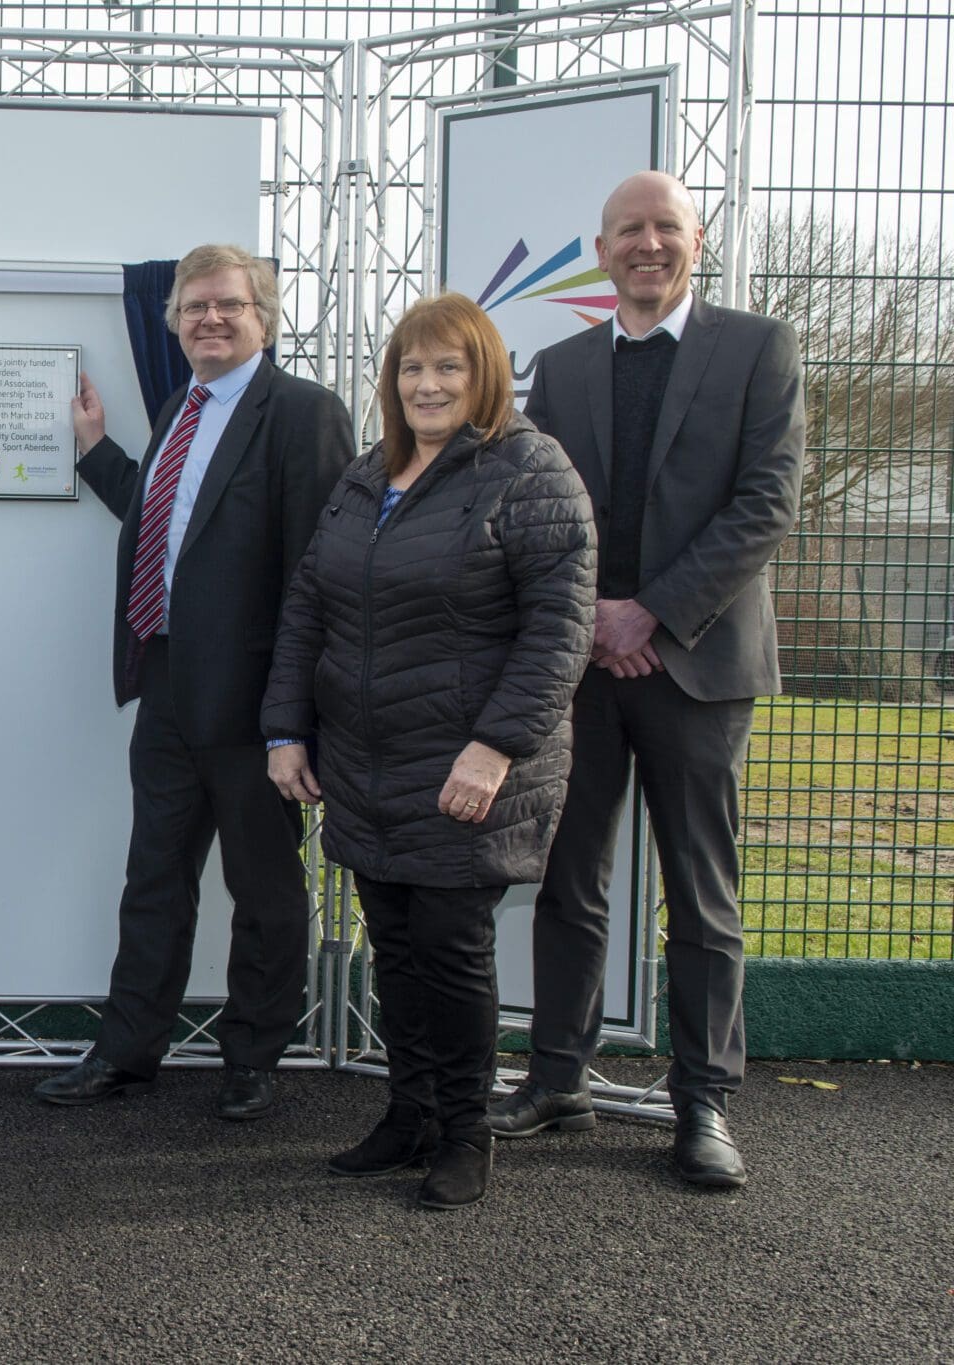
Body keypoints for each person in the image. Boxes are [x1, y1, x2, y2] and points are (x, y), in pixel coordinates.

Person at [493, 171, 806, 1188]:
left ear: (694, 240)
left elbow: (764, 502)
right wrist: (591, 618)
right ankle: (554, 1080)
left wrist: (652, 612)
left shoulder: (756, 349)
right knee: (566, 883)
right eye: (626, 229)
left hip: (695, 662)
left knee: (698, 893)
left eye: (663, 226)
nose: (645, 243)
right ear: (599, 249)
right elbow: (537, 506)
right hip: (579, 664)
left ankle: (701, 1102)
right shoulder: (563, 364)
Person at [263, 293, 596, 1209]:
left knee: (451, 950)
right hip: (367, 762)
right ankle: (406, 1114)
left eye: (449, 366)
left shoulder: (530, 470)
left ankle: (464, 1132)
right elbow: (307, 605)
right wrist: (287, 727)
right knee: (397, 947)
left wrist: (494, 749)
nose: (428, 383)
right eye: (412, 367)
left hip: (469, 767)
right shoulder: (370, 473)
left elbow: (558, 631)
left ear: (484, 372)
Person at [32, 244, 353, 1118]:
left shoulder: (304, 414)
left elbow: (316, 579)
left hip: (256, 705)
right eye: (194, 307)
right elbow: (173, 516)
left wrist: (291, 719)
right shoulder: (182, 404)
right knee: (154, 879)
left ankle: (253, 1057)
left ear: (265, 316)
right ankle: (129, 1051)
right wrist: (99, 454)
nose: (210, 319)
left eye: (229, 305)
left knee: (264, 888)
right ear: (173, 319)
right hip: (168, 684)